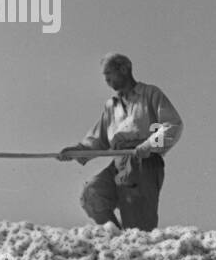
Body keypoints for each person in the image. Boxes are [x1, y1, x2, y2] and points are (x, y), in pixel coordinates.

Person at [58, 54, 182, 230]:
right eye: (104, 76)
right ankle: (116, 236)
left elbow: (172, 124)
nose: (106, 80)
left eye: (109, 73)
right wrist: (76, 151)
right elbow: (98, 138)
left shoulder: (150, 94)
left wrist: (149, 145)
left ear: (124, 69)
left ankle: (135, 243)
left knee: (137, 220)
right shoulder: (112, 105)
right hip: (118, 162)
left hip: (143, 161)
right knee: (92, 194)